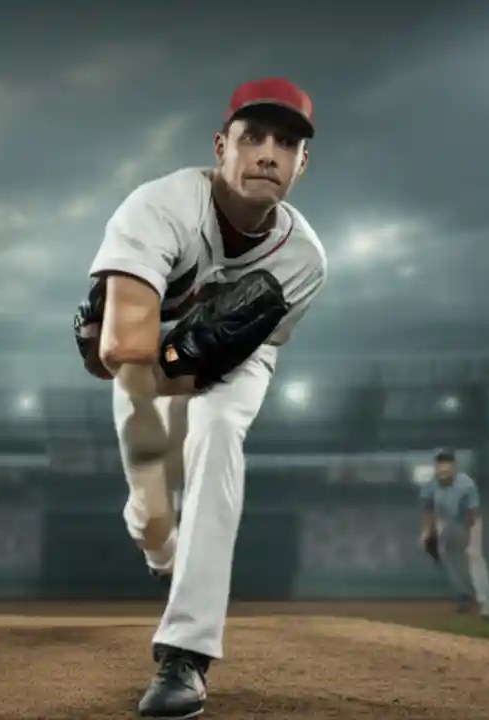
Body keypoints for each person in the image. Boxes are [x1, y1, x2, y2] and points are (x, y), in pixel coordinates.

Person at [73, 77, 328, 718]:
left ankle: (186, 654)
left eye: (288, 142)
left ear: (303, 162)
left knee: (216, 434)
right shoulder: (157, 208)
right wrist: (157, 360)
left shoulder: (305, 260)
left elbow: (217, 365)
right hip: (146, 356)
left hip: (242, 360)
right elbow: (128, 358)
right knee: (151, 514)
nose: (270, 152)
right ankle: (158, 540)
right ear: (222, 145)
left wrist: (191, 363)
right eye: (254, 137)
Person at [418, 449, 489, 620]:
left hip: (469, 520)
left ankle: (487, 605)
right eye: (440, 469)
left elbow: (473, 512)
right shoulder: (431, 484)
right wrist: (427, 531)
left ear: (454, 468)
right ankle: (463, 594)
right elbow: (428, 509)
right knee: (441, 554)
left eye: (447, 469)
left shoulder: (466, 484)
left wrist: (469, 539)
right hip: (446, 522)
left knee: (474, 555)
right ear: (436, 469)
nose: (443, 473)